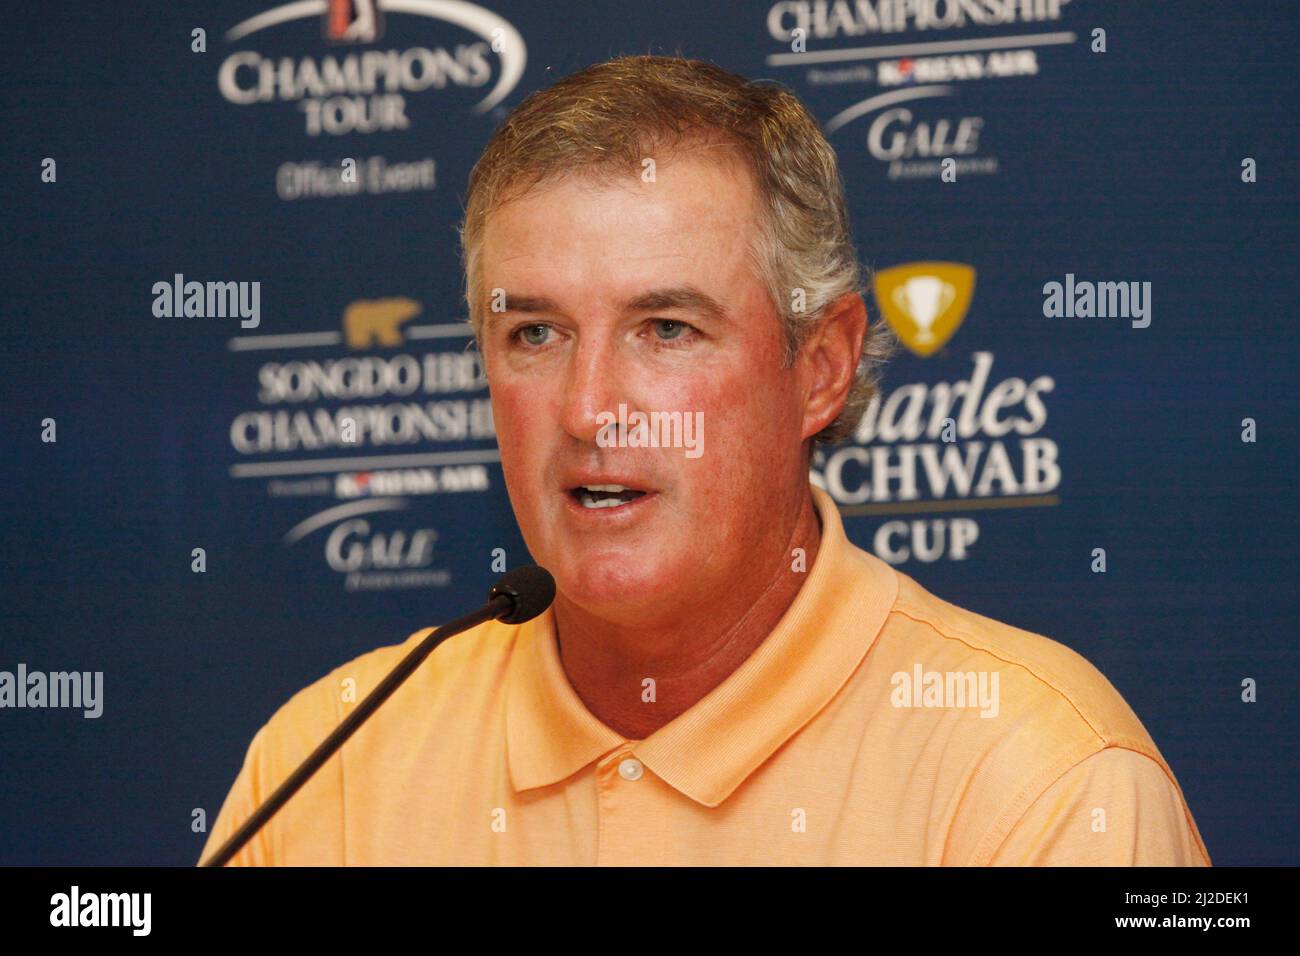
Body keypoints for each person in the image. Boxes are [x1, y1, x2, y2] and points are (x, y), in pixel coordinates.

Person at [200, 55, 1210, 866]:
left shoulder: (1043, 780)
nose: (589, 410)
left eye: (668, 329)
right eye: (536, 334)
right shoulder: (330, 764)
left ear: (819, 368)